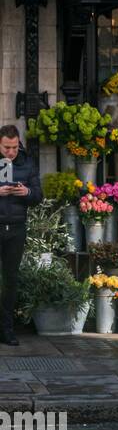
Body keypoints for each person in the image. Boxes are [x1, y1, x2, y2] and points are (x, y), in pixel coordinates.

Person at [0, 124, 42, 346]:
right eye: (7, 147)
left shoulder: (26, 162)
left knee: (10, 280)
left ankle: (6, 330)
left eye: (14, 147)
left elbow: (38, 195)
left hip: (16, 227)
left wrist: (26, 192)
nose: (11, 152)